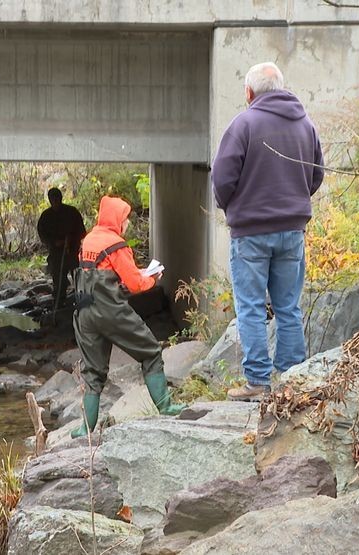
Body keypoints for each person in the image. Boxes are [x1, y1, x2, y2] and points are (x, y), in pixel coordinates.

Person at [211, 62, 324, 401]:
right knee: (288, 307)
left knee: (251, 308)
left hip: (251, 234)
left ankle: (258, 383)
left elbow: (221, 179)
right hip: (292, 231)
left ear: (249, 93)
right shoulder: (306, 125)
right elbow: (316, 175)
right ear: (281, 88)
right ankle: (292, 380)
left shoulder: (243, 124)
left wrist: (233, 208)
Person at [71, 196, 184, 438]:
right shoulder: (116, 244)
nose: (127, 224)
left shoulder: (88, 240)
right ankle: (165, 406)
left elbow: (101, 275)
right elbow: (134, 284)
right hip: (110, 312)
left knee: (93, 372)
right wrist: (152, 278)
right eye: (125, 219)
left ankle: (85, 429)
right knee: (151, 352)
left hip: (84, 314)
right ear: (117, 219)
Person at [36, 187, 86, 304]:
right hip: (56, 254)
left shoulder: (72, 212)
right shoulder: (46, 216)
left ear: (61, 198)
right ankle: (59, 303)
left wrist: (71, 239)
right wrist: (54, 242)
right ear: (50, 200)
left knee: (78, 278)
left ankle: (82, 302)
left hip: (73, 252)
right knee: (59, 282)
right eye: (53, 200)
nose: (55, 202)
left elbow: (82, 231)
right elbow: (42, 234)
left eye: (57, 199)